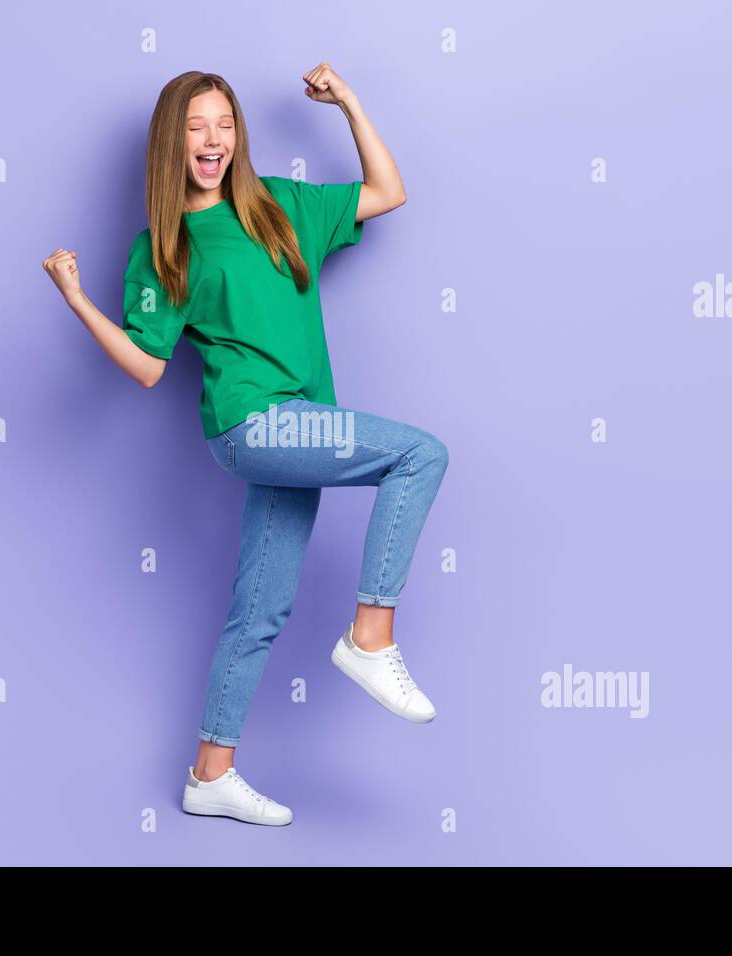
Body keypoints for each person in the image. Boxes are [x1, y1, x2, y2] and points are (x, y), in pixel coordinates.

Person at [42, 64, 448, 826]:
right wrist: (77, 301)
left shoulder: (280, 205)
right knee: (420, 453)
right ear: (173, 140)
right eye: (197, 126)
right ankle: (371, 635)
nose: (213, 139)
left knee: (260, 607)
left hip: (303, 426)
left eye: (224, 125)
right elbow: (147, 368)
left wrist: (350, 106)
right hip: (254, 425)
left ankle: (210, 773)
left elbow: (388, 191)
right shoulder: (166, 246)